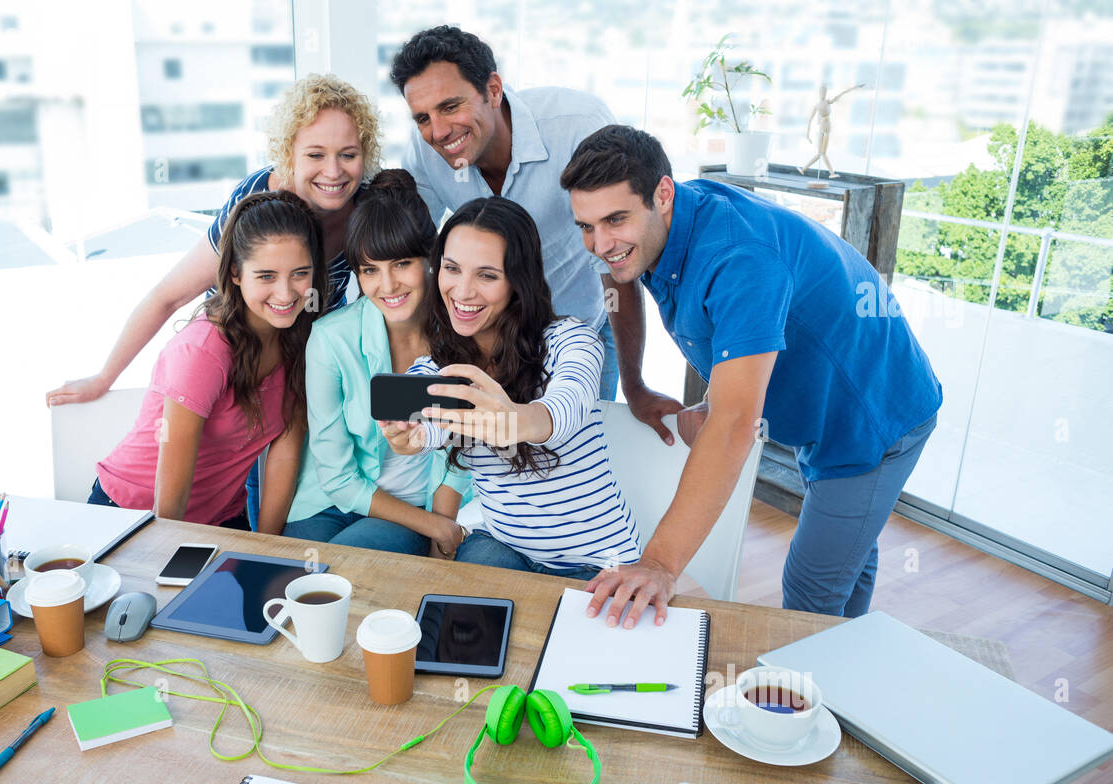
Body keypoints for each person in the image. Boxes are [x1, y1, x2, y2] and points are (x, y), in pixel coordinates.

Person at [560, 125, 941, 626]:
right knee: (848, 554)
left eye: (615, 220)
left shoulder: (739, 259)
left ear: (663, 195)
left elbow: (737, 425)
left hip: (874, 417)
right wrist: (633, 383)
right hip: (828, 400)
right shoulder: (652, 231)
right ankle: (851, 658)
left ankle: (821, 687)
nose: (600, 243)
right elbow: (618, 274)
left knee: (810, 589)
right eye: (585, 226)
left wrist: (658, 565)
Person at [46, 73, 380, 408]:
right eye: (316, 155)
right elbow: (169, 297)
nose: (334, 171)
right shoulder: (257, 201)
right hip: (234, 355)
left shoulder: (366, 212)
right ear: (289, 155)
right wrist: (104, 378)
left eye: (348, 155)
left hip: (301, 368)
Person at [382, 196, 641, 579]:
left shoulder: (573, 340)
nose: (463, 291)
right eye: (452, 269)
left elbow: (569, 402)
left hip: (597, 562)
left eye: (487, 275)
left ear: (518, 282)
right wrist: (411, 436)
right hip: (502, 548)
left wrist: (518, 420)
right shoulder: (437, 366)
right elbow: (431, 420)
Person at [389, 24, 645, 402]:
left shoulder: (577, 129)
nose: (438, 131)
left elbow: (617, 260)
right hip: (489, 339)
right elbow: (408, 249)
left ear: (493, 90)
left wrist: (636, 386)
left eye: (450, 106)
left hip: (579, 330)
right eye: (423, 117)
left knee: (575, 450)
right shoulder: (424, 149)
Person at [89, 192, 327, 532]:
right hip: (135, 517)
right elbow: (169, 508)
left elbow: (285, 452)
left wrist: (267, 548)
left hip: (221, 520)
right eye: (266, 276)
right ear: (234, 274)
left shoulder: (302, 339)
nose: (286, 293)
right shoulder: (203, 352)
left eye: (300, 274)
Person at [282, 170, 470, 557]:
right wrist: (434, 527)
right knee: (291, 581)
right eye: (369, 270)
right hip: (327, 504)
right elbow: (336, 476)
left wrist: (440, 530)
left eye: (401, 263)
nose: (387, 285)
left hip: (405, 514)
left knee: (344, 571)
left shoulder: (462, 334)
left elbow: (462, 454)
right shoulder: (332, 339)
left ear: (430, 257)